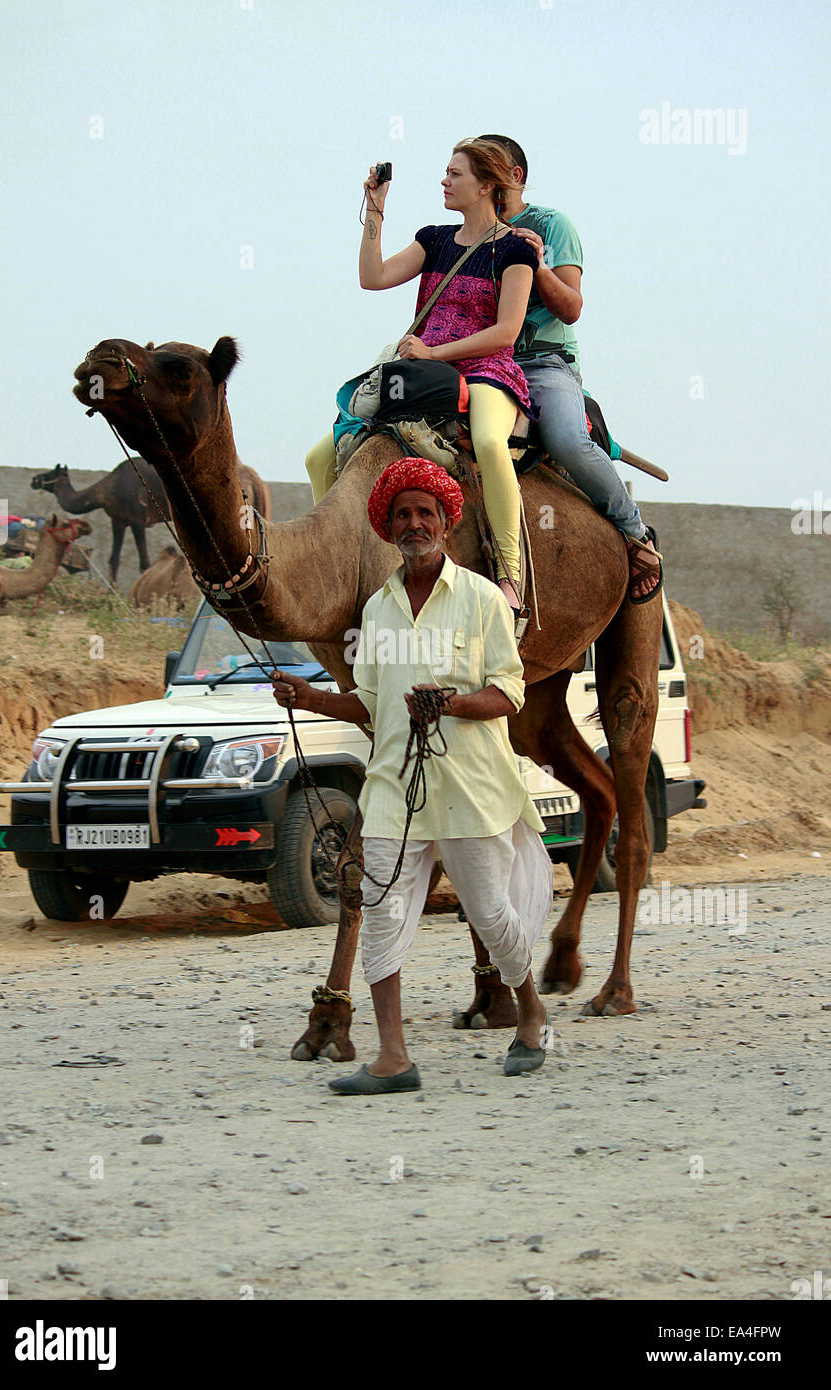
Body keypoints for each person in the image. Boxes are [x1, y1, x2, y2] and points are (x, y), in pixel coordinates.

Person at [272, 457, 553, 1094]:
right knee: (381, 912)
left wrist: (450, 704)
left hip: (470, 788)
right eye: (403, 514)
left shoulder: (482, 599)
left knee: (489, 915)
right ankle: (393, 1057)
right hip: (394, 787)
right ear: (388, 527)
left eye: (426, 512)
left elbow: (510, 692)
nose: (414, 522)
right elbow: (369, 700)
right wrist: (309, 697)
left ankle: (530, 1009)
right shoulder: (378, 610)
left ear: (447, 523)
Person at [305, 139, 540, 613]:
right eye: (447, 172)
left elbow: (506, 332)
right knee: (317, 457)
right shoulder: (433, 240)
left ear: (486, 185)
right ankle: (335, 559)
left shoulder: (516, 251)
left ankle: (510, 574)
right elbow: (372, 277)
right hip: (421, 374)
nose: (444, 180)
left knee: (491, 446)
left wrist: (435, 351)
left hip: (485, 372)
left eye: (455, 174)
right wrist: (375, 209)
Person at [478, 134, 663, 603]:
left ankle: (635, 533)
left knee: (566, 438)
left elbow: (571, 307)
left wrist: (537, 264)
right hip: (482, 361)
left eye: (488, 169)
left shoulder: (551, 224)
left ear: (516, 177)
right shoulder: (469, 232)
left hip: (542, 363)